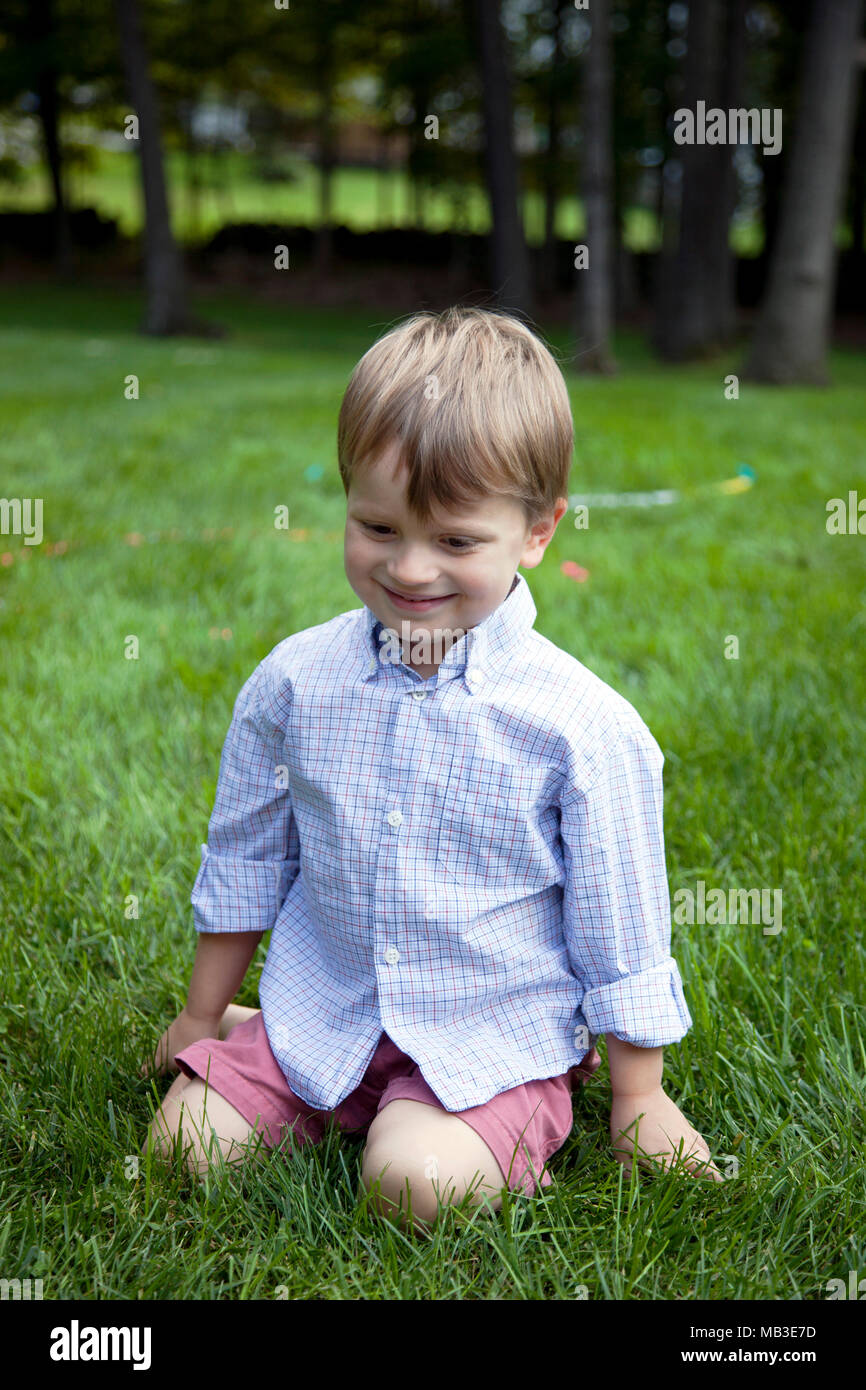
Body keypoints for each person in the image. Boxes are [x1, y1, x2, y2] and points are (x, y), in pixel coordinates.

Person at [140, 306, 722, 1233]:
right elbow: (247, 859)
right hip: (324, 1008)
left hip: (490, 1034)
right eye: (377, 527)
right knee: (182, 1149)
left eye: (455, 541)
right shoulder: (293, 682)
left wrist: (637, 1097)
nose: (409, 569)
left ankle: (505, 1107)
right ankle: (264, 1040)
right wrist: (199, 1015)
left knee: (412, 1185)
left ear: (537, 531)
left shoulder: (579, 726)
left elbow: (622, 914)